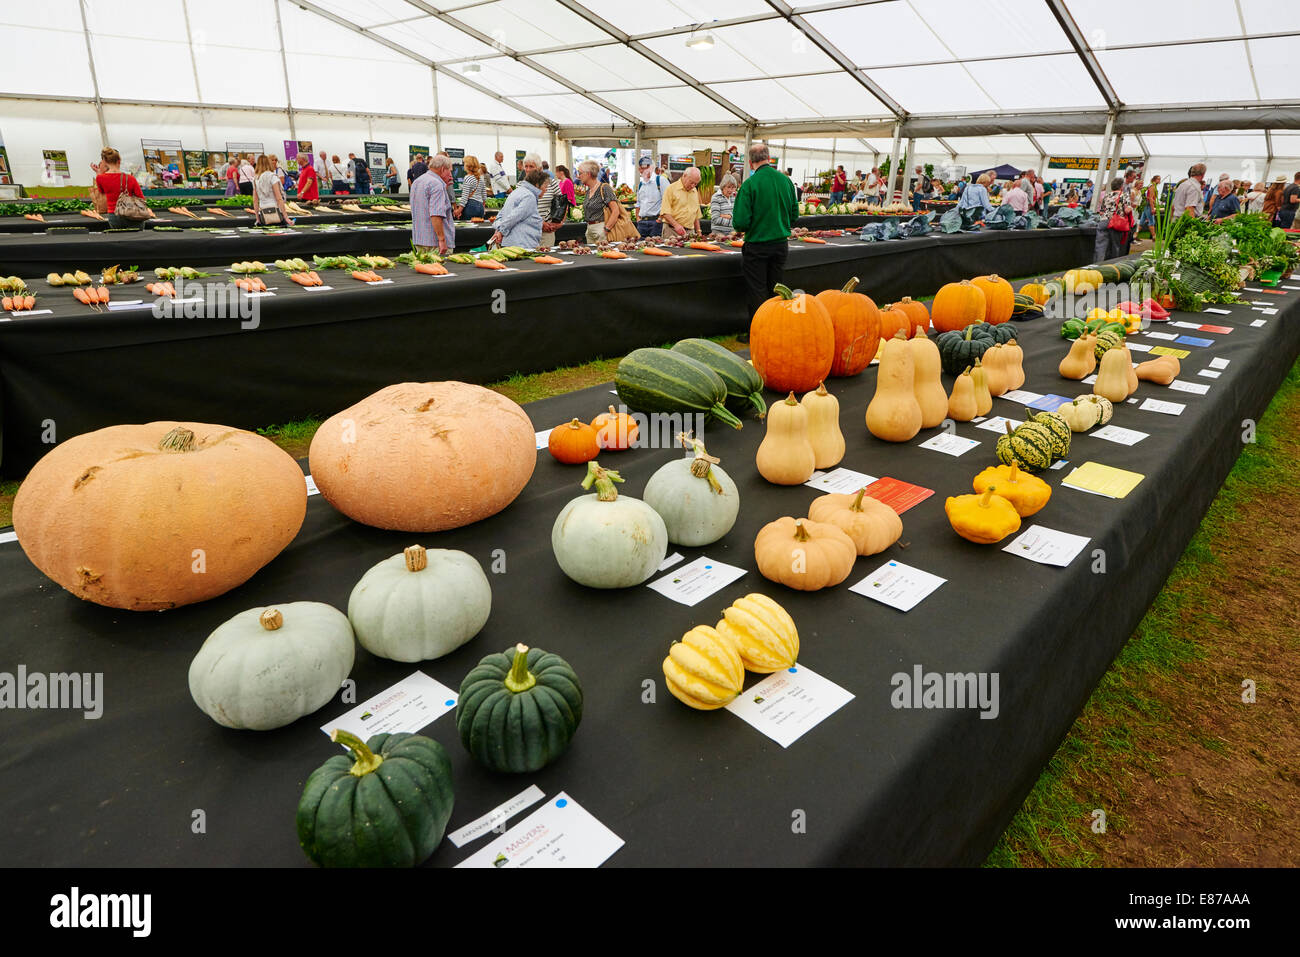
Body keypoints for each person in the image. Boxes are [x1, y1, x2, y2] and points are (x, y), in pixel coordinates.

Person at [733, 142, 799, 331]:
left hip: (757, 245)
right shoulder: (785, 181)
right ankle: (777, 328)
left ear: (750, 161)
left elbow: (741, 222)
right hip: (781, 245)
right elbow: (794, 215)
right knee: (777, 289)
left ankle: (760, 331)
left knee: (757, 290)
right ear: (768, 158)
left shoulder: (750, 184)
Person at [91, 148, 154, 229]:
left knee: (119, 239)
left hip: (114, 215)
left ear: (105, 162)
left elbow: (101, 191)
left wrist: (98, 173)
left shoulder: (100, 178)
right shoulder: (130, 178)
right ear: (119, 161)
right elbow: (141, 197)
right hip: (133, 213)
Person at [411, 153, 455, 256]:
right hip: (434, 243)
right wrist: (442, 240)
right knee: (440, 270)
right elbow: (436, 214)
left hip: (420, 239)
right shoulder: (436, 184)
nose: (450, 175)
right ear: (443, 169)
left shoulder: (417, 182)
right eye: (450, 171)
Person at [492, 168, 545, 249]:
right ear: (537, 184)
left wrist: (499, 229)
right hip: (523, 244)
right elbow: (514, 217)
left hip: (509, 243)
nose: (546, 189)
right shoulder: (529, 197)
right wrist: (501, 231)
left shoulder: (515, 192)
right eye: (545, 186)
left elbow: (500, 216)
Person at [1095, 176, 1132, 262]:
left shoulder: (1107, 195)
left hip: (1103, 221)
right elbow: (1127, 210)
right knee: (1115, 246)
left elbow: (1101, 211)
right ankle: (1112, 265)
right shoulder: (1124, 195)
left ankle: (1097, 264)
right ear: (1121, 186)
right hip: (1116, 223)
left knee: (1100, 246)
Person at [577, 159, 614, 243]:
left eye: (580, 173)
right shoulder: (588, 191)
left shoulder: (604, 188)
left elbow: (615, 211)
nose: (578, 176)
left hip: (601, 228)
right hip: (589, 229)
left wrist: (606, 229)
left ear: (588, 174)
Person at [252, 154, 293, 226]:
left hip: (263, 213)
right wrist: (286, 217)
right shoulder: (272, 177)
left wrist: (257, 219)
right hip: (276, 212)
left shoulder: (256, 179)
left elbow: (255, 200)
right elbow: (279, 198)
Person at [660, 167, 702, 240]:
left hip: (690, 232)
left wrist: (698, 232)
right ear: (684, 176)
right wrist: (676, 225)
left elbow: (696, 214)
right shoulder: (671, 189)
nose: (693, 186)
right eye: (691, 182)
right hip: (672, 231)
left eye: (695, 184)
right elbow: (665, 212)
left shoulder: (694, 191)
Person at [634, 155, 668, 238]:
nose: (645, 170)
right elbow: (638, 203)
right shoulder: (641, 184)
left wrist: (659, 219)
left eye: (647, 167)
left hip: (656, 223)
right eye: (643, 168)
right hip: (642, 224)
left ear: (652, 168)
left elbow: (667, 201)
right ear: (640, 169)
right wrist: (638, 218)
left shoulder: (661, 181)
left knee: (654, 247)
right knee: (640, 248)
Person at [455, 154, 488, 220]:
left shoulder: (468, 178)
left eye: (464, 163)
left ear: (468, 166)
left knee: (469, 229)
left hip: (471, 207)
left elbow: (465, 197)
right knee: (478, 229)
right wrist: (483, 208)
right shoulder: (480, 178)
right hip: (480, 207)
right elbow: (484, 196)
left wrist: (458, 211)